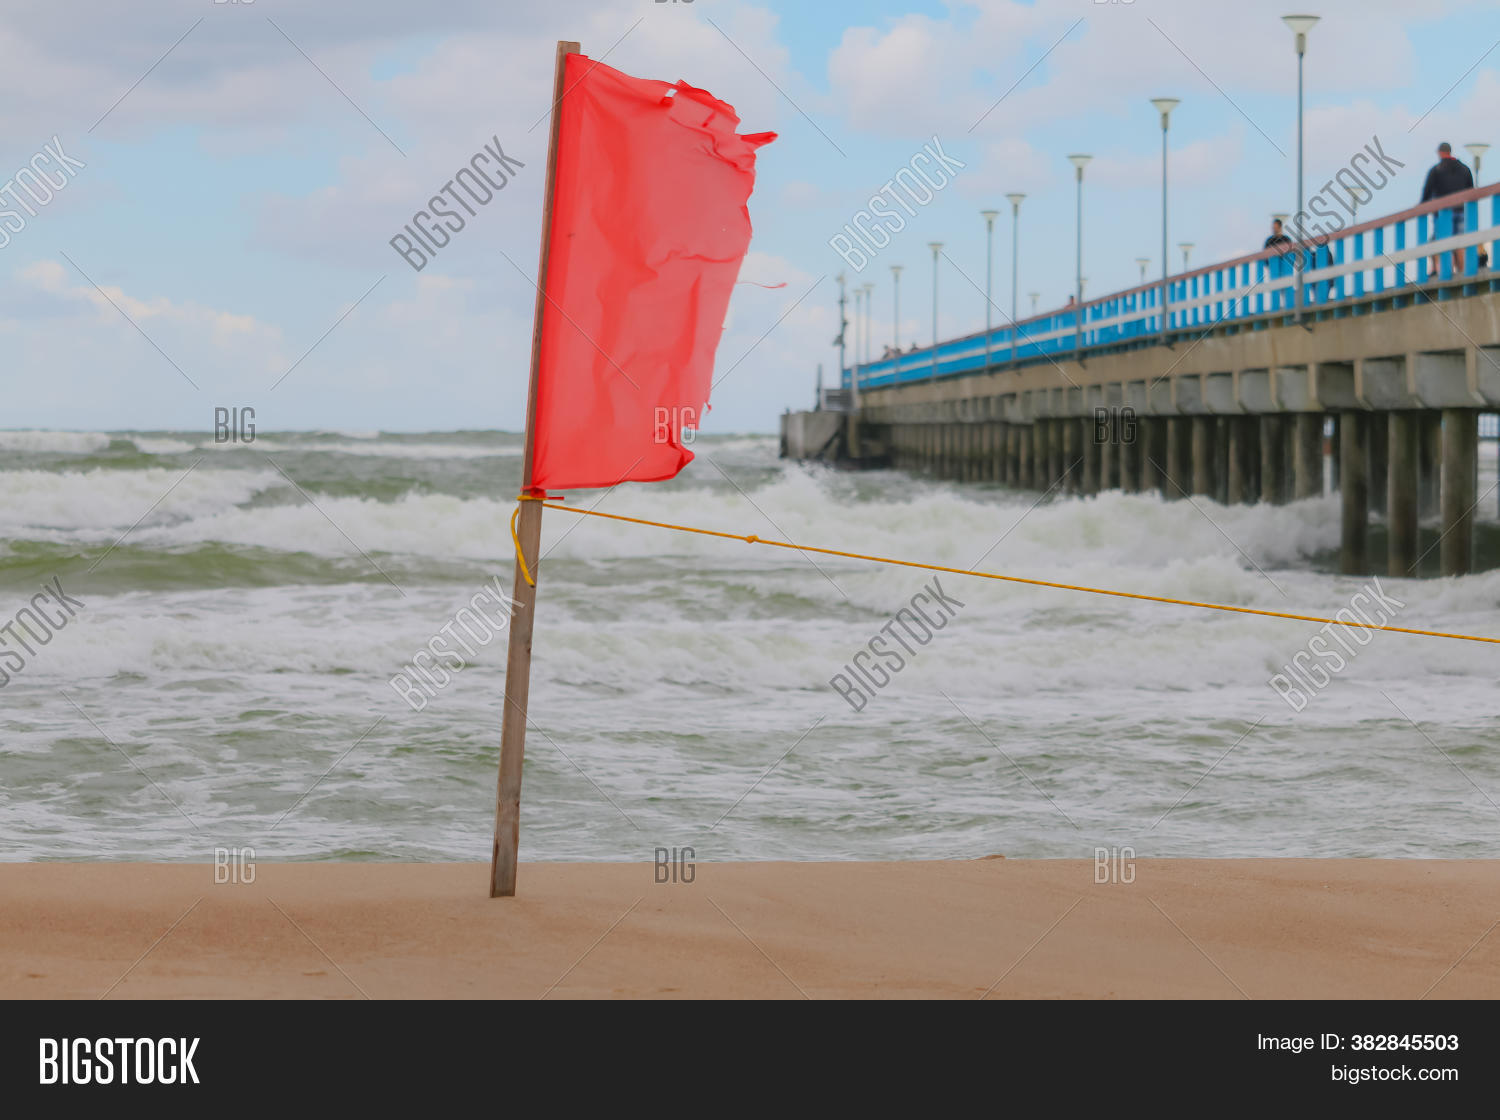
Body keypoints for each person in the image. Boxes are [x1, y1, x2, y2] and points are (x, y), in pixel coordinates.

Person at [1420, 142, 1475, 278]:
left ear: (1440, 152)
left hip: (1442, 213)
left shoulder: (1436, 170)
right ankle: (1462, 271)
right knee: (1460, 240)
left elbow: (1427, 192)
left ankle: (1441, 271)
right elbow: (1471, 190)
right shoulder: (1465, 169)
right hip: (1461, 210)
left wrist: (1421, 207)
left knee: (1439, 241)